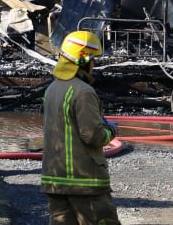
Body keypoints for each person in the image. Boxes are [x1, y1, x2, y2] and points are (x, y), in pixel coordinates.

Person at [41, 30, 121, 225]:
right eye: (93, 61)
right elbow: (92, 135)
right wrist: (111, 130)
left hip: (55, 180)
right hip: (84, 180)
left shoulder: (51, 89)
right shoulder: (84, 91)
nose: (94, 65)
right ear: (83, 61)